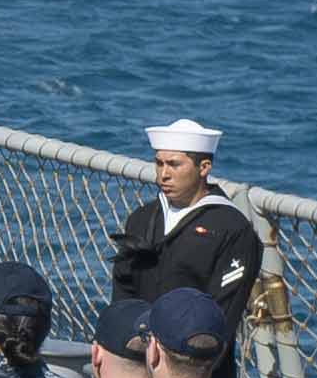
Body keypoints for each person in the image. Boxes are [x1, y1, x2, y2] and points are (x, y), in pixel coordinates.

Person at [109, 122, 261, 318]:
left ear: (204, 168)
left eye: (174, 164)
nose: (163, 175)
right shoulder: (142, 218)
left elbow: (225, 308)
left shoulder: (232, 229)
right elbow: (123, 288)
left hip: (194, 345)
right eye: (159, 163)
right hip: (140, 342)